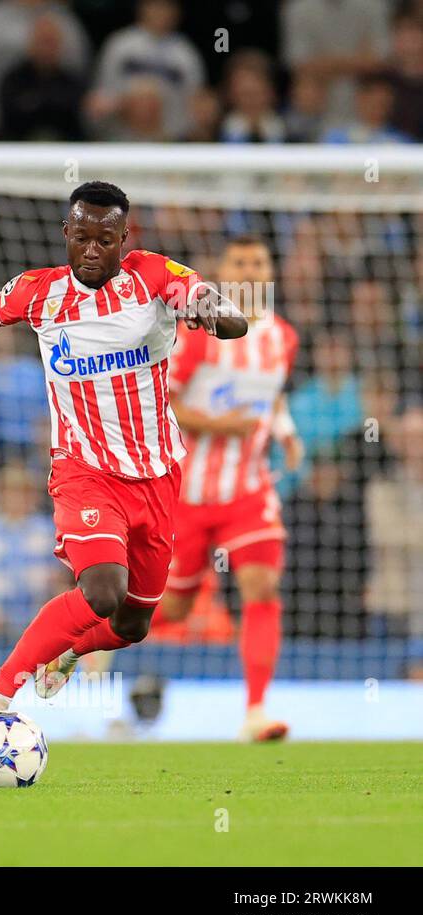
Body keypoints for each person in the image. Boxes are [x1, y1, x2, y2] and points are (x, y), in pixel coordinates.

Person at [0, 181, 248, 739]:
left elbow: (227, 316)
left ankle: (65, 654)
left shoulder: (156, 276)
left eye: (107, 239)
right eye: (83, 237)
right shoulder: (41, 292)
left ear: (124, 239)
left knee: (133, 623)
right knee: (102, 591)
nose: (93, 250)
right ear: (66, 233)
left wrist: (214, 313)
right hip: (84, 471)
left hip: (158, 472)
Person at [153, 236, 303, 741]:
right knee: (171, 608)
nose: (250, 269)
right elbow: (165, 404)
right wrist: (222, 427)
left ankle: (256, 710)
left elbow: (271, 397)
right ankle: (94, 638)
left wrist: (286, 434)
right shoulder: (197, 333)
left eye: (258, 261)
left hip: (248, 489)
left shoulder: (283, 336)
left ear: (269, 269)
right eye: (240, 262)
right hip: (190, 494)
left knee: (261, 587)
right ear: (222, 270)